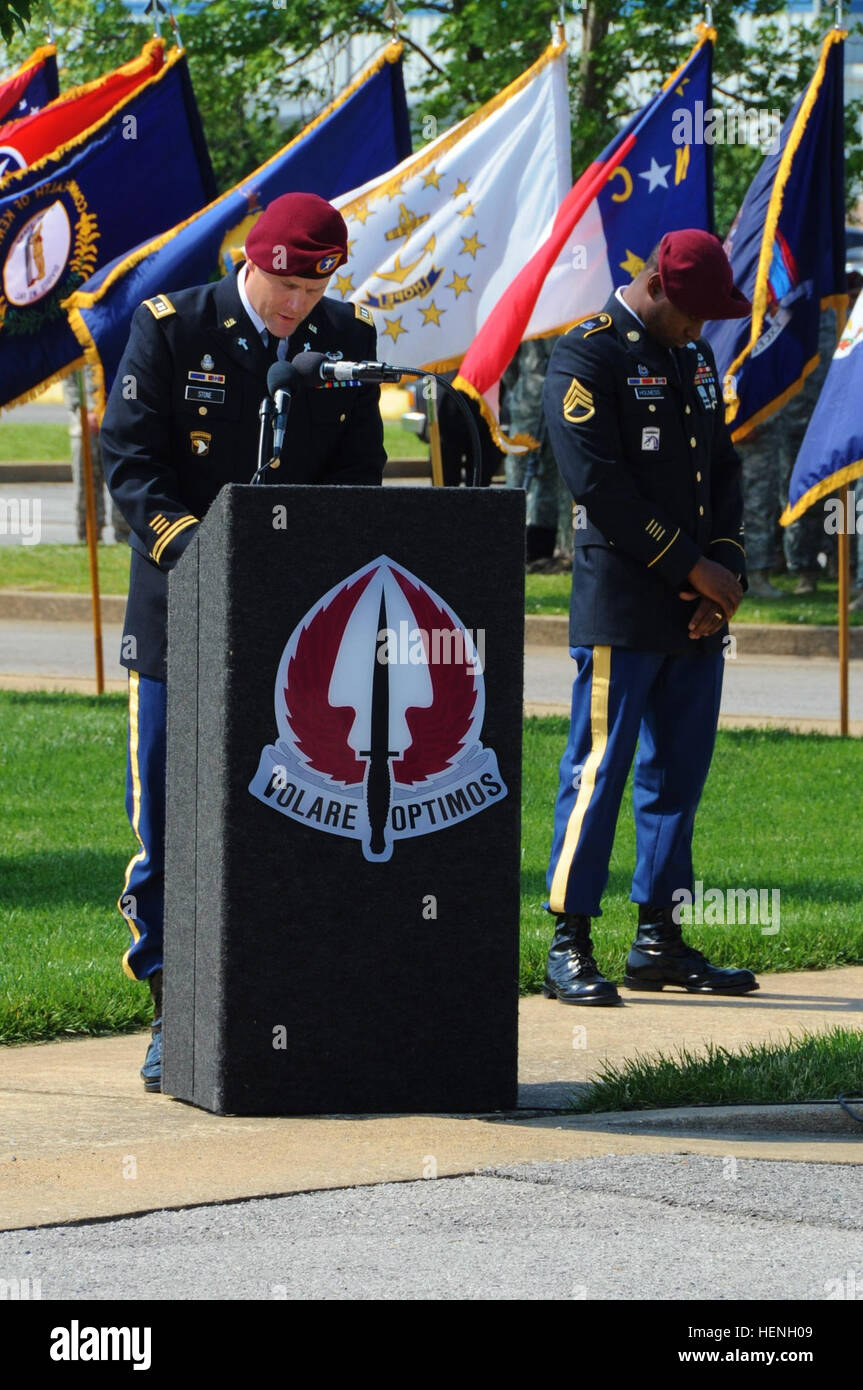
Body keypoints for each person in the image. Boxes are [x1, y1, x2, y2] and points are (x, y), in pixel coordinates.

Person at [100, 193, 386, 1087]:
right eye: (285, 282)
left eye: (315, 285)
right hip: (183, 612)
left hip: (293, 623)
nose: (297, 303)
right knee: (174, 820)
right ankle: (169, 1005)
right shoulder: (172, 328)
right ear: (249, 259)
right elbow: (131, 463)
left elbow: (358, 471)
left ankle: (282, 1002)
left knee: (288, 814)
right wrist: (204, 555)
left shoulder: (348, 337)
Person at [541, 229, 759, 1005]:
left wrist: (722, 572)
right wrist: (687, 566)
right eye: (692, 314)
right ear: (658, 288)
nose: (701, 330)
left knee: (677, 778)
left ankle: (659, 940)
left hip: (696, 610)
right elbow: (598, 484)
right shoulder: (586, 355)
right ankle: (568, 939)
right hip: (623, 605)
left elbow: (722, 469)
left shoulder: (693, 359)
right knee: (599, 772)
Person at [503, 337, 574, 572]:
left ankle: (561, 548)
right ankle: (518, 547)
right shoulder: (531, 309)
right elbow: (508, 362)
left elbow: (509, 366)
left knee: (563, 477)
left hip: (555, 397)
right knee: (521, 476)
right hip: (533, 400)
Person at [62, 369, 130, 545]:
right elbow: (68, 377)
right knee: (86, 482)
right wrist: (81, 410)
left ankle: (124, 533)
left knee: (123, 479)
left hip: (119, 422)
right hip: (85, 425)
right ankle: (88, 534)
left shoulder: (120, 340)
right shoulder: (78, 342)